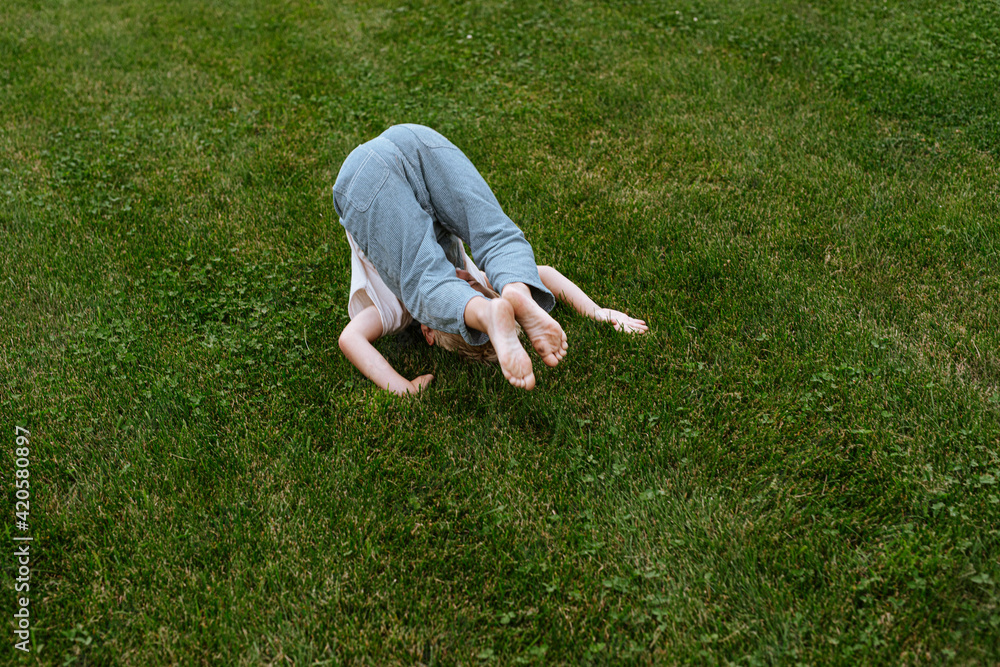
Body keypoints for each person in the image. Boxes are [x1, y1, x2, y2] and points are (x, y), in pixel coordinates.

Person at [333, 124, 647, 395]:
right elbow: (547, 273)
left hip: (398, 151)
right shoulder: (474, 282)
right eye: (473, 283)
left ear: (427, 331)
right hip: (407, 149)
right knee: (491, 238)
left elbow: (351, 338)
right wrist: (596, 311)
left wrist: (402, 386)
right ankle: (514, 293)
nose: (466, 276)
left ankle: (487, 311)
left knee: (478, 245)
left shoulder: (395, 311)